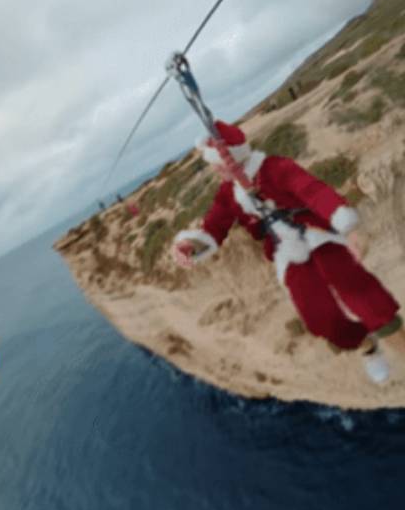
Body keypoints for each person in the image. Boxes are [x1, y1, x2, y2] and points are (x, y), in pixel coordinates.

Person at [171, 120, 403, 384]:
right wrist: (192, 245)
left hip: (318, 236)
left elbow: (313, 191)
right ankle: (368, 347)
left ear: (232, 159)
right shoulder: (228, 193)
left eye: (217, 163)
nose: (213, 169)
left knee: (362, 295)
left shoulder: (275, 168)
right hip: (287, 252)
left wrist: (348, 227)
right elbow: (214, 227)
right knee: (320, 319)